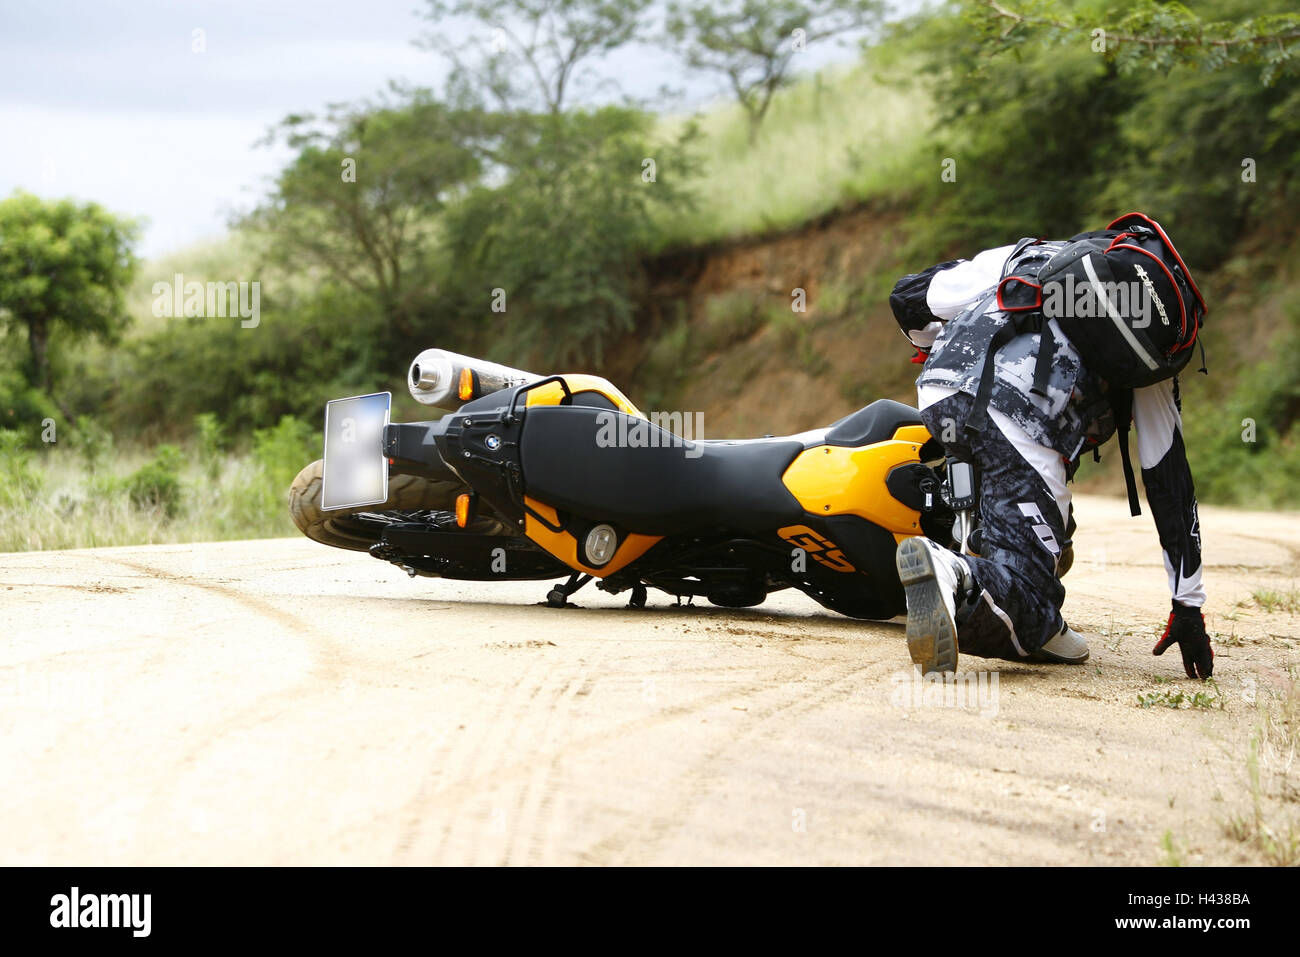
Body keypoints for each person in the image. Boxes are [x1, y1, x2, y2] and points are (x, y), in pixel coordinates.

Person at [888, 218, 1213, 679]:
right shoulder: (1147, 341)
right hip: (1021, 425)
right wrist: (1188, 605)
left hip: (940, 393)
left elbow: (910, 298)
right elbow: (1167, 479)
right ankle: (959, 575)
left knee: (1049, 527)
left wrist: (932, 342)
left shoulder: (1029, 255)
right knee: (1027, 600)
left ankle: (1006, 577)